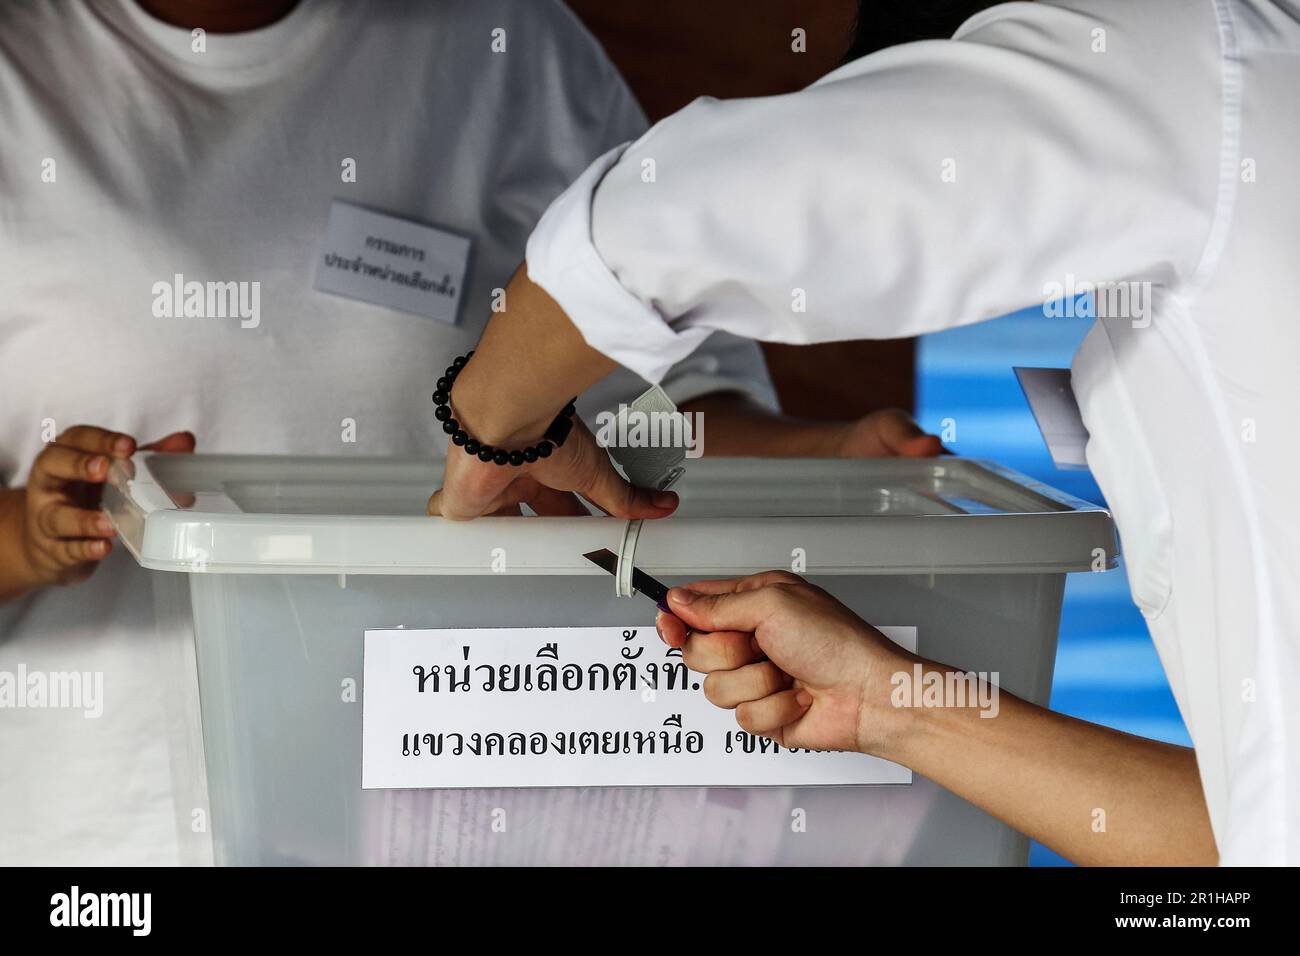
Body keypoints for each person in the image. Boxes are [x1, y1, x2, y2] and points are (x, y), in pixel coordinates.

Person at [0, 0, 938, 866]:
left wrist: (818, 458)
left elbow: (648, 418)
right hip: (113, 829)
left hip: (447, 787)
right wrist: (28, 534)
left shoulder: (500, 40)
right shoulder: (26, 72)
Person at [428, 0, 1300, 865]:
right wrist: (888, 706)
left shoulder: (1194, 52)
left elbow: (658, 224)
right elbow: (1236, 836)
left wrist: (487, 423)